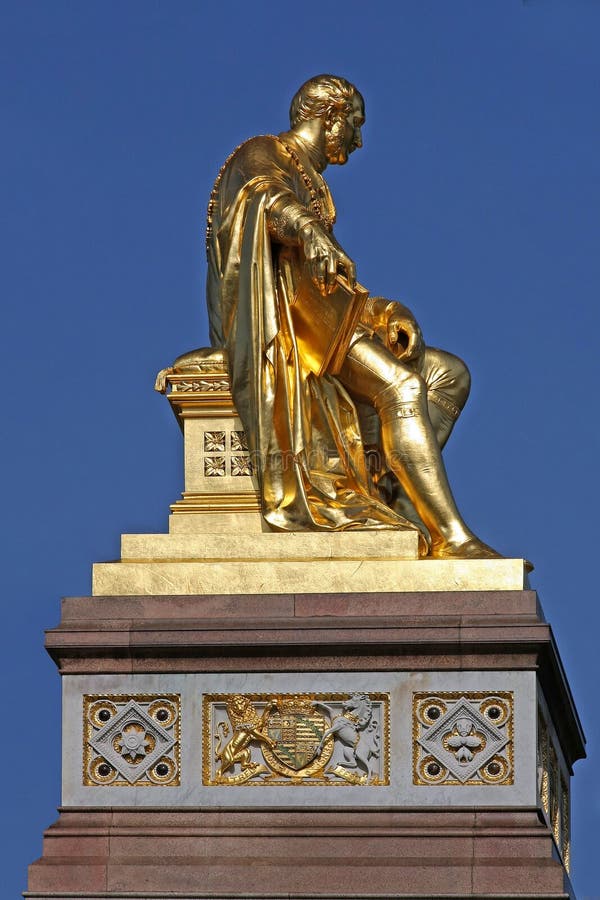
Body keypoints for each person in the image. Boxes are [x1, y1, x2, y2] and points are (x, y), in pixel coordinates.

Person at [203, 74, 500, 560]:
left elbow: (334, 288)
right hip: (291, 335)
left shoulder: (314, 186)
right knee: (402, 386)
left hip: (326, 326)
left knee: (449, 375)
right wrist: (305, 228)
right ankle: (452, 538)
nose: (358, 141)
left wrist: (387, 312)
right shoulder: (264, 153)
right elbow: (263, 196)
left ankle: (403, 512)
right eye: (355, 125)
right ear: (330, 118)